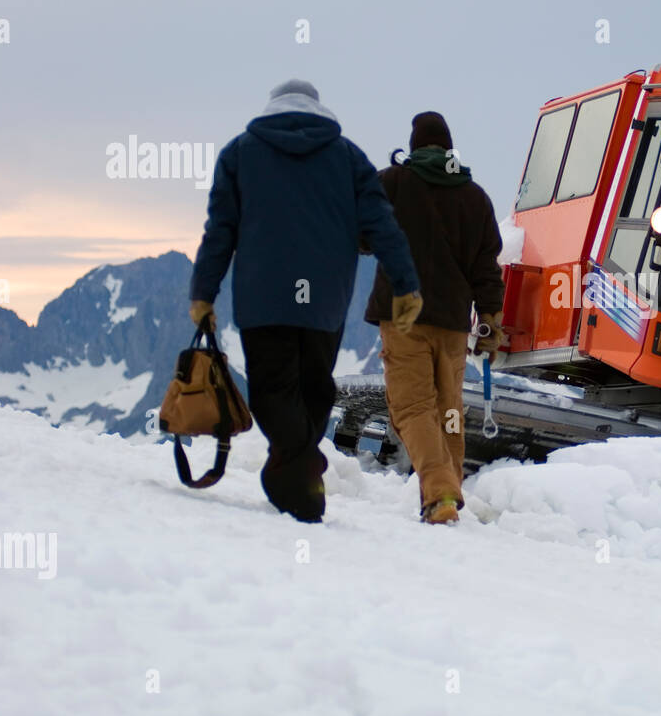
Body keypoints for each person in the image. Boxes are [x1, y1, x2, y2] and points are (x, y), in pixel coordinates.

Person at [189, 79, 422, 523]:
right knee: (316, 387)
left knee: (273, 389)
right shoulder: (349, 158)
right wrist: (406, 283)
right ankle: (300, 473)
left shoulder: (240, 153)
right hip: (325, 297)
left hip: (263, 295)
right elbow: (382, 226)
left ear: (271, 107)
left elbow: (220, 229)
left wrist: (204, 292)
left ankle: (299, 484)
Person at [363, 111, 504, 524]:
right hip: (454, 323)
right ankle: (445, 496)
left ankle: (441, 493)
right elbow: (487, 267)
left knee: (412, 408)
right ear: (448, 148)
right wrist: (491, 320)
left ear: (415, 145)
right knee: (448, 409)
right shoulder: (475, 197)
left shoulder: (392, 182)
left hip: (404, 316)